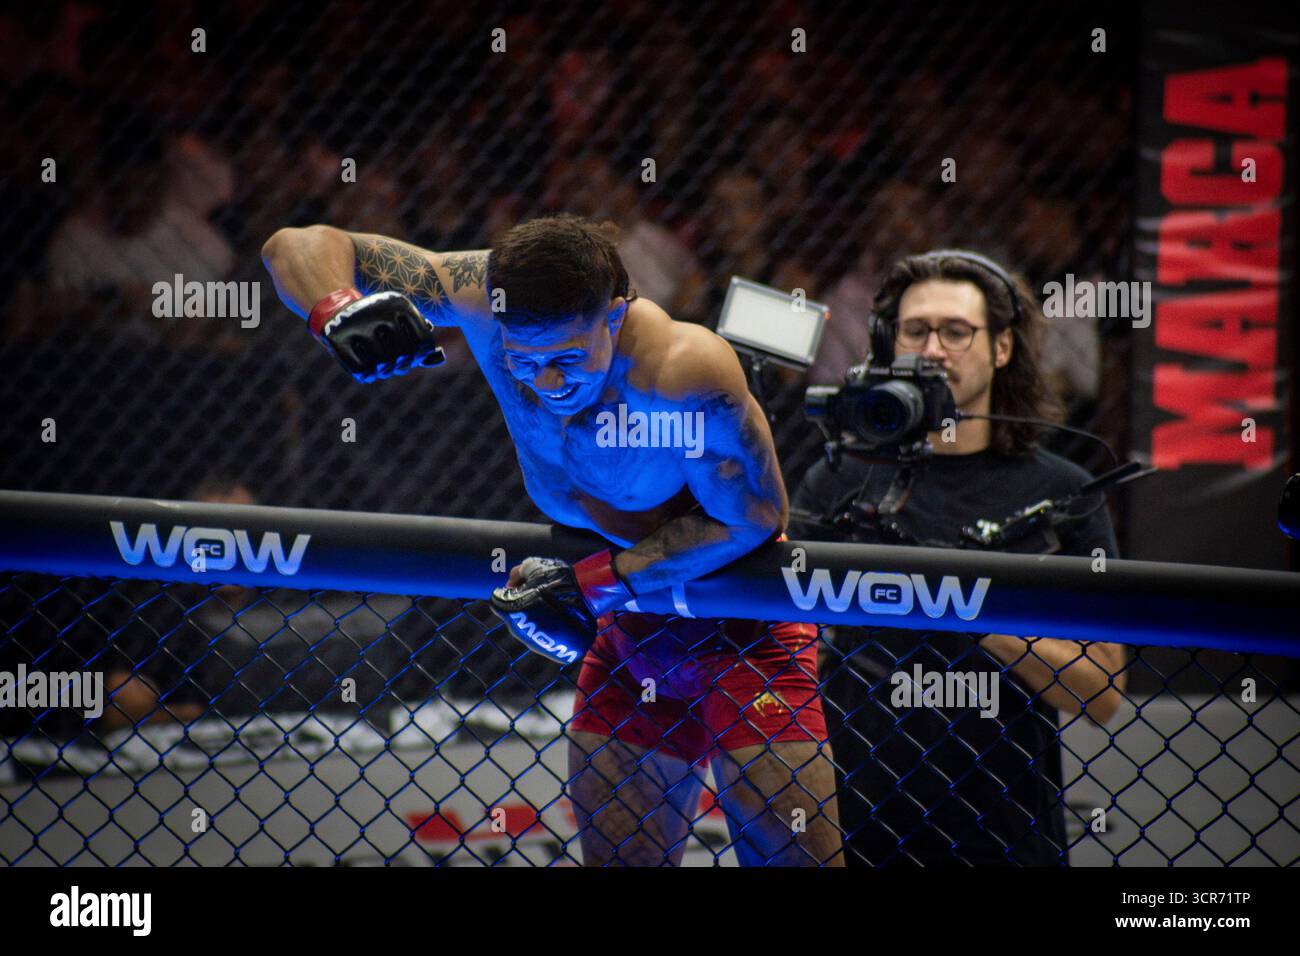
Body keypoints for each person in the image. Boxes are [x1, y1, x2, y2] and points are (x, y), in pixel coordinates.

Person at [261, 214, 841, 866]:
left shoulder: (682, 372)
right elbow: (298, 244)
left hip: (741, 627)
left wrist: (595, 580)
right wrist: (338, 309)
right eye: (525, 359)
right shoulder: (481, 300)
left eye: (567, 357)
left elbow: (753, 517)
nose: (547, 381)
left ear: (614, 316)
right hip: (631, 629)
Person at [791, 249, 1128, 866]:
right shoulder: (839, 480)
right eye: (916, 331)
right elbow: (786, 654)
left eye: (956, 331)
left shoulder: (1060, 490)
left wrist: (968, 608)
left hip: (1003, 832)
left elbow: (1102, 692)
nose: (935, 348)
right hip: (855, 828)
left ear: (1001, 348)